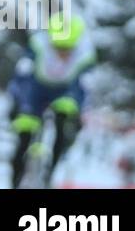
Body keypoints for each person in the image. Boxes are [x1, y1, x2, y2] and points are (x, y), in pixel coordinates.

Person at [7, 14, 96, 188]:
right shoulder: (38, 45)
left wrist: (78, 111)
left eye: (67, 49)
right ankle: (15, 180)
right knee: (24, 134)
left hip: (64, 91)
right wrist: (18, 106)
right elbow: (22, 78)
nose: (62, 53)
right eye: (58, 47)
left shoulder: (85, 54)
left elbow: (84, 86)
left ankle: (51, 171)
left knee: (64, 123)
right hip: (35, 90)